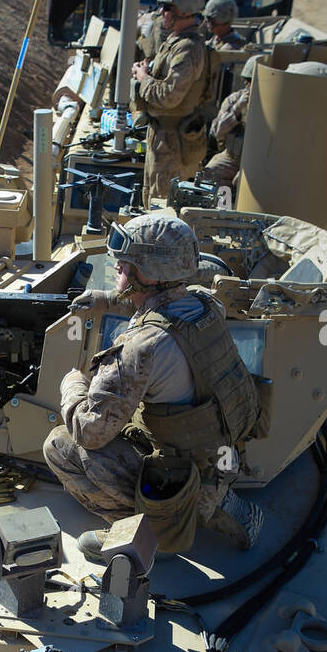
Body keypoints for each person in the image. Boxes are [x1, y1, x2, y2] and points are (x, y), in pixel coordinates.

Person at [43, 213, 263, 560]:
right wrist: (106, 299)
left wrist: (72, 384)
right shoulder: (207, 303)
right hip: (223, 458)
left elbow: (90, 432)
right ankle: (214, 501)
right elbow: (163, 304)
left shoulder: (142, 348)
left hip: (180, 481)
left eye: (124, 263)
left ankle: (148, 535)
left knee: (60, 445)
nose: (116, 267)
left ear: (146, 273)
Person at [131, 0, 210, 206]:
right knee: (151, 201)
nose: (161, 13)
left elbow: (169, 96)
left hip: (172, 143)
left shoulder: (187, 48)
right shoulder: (176, 42)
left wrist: (143, 77)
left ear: (182, 12)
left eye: (166, 8)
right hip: (162, 138)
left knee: (161, 209)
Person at [203, 52, 262, 190]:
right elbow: (217, 132)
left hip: (258, 162)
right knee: (209, 173)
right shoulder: (234, 99)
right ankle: (219, 210)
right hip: (232, 157)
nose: (249, 86)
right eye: (248, 82)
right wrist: (237, 109)